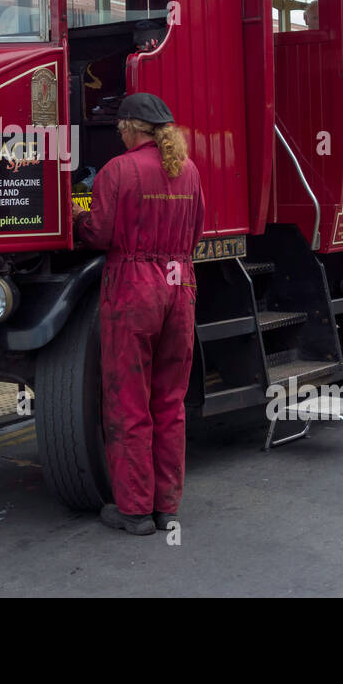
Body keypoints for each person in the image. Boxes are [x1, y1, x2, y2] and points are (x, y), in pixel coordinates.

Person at [72, 93, 205, 536]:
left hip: (134, 291)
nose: (119, 136)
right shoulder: (188, 171)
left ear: (132, 127)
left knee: (129, 402)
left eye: (120, 129)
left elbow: (99, 231)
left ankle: (133, 511)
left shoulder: (119, 170)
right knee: (170, 402)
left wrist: (74, 218)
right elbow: (196, 231)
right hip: (179, 287)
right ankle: (167, 508)